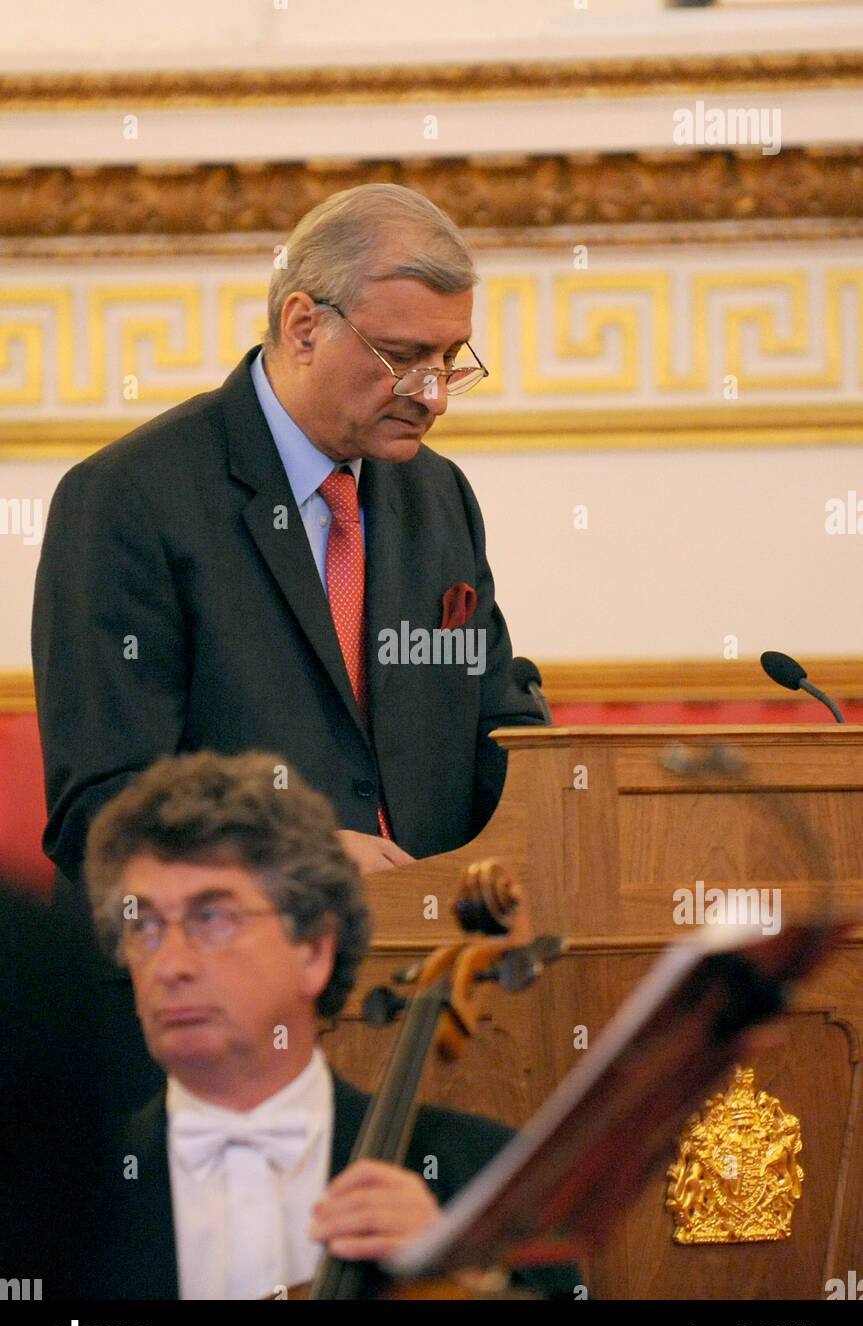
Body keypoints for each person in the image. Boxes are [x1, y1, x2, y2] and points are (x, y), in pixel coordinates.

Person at [32, 182, 542, 917]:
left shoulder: (438, 498)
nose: (433, 396)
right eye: (402, 357)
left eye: (449, 358)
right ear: (303, 326)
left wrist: (579, 786)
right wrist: (296, 857)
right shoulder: (129, 497)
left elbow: (494, 729)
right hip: (204, 980)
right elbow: (103, 807)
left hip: (419, 974)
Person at [79, 748, 551, 1300]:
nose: (172, 964)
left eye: (213, 918)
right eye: (146, 925)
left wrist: (468, 1281)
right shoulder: (60, 1190)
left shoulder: (487, 1178)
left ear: (313, 951)